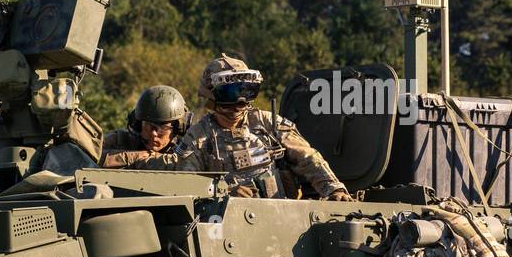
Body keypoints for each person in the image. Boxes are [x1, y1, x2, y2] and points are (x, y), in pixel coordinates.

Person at [127, 54, 353, 201]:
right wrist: (224, 192)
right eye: (230, 93)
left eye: (246, 90)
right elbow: (188, 185)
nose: (240, 101)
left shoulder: (269, 124)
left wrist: (333, 188)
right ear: (211, 95)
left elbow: (308, 158)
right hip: (233, 228)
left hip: (284, 217)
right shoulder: (199, 137)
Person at [100, 85, 188, 168]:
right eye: (148, 126)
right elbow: (93, 156)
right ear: (138, 124)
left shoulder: (184, 150)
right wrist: (137, 156)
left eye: (162, 128)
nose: (154, 133)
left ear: (177, 129)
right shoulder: (120, 140)